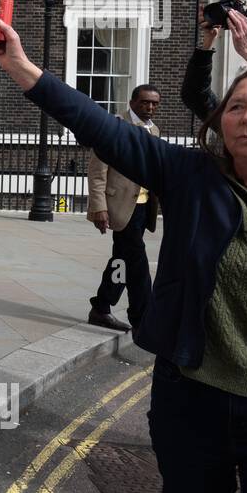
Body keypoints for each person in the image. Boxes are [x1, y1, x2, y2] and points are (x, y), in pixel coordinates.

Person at [0, 15, 247, 493]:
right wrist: (20, 67)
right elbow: (98, 127)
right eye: (236, 106)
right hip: (192, 403)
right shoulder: (192, 176)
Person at [86, 84, 161, 332]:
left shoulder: (154, 130)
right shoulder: (115, 126)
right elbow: (98, 171)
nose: (150, 107)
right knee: (138, 262)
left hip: (142, 207)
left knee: (122, 260)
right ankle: (144, 316)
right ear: (132, 102)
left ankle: (101, 306)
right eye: (144, 102)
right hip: (119, 205)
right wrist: (99, 207)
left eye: (154, 103)